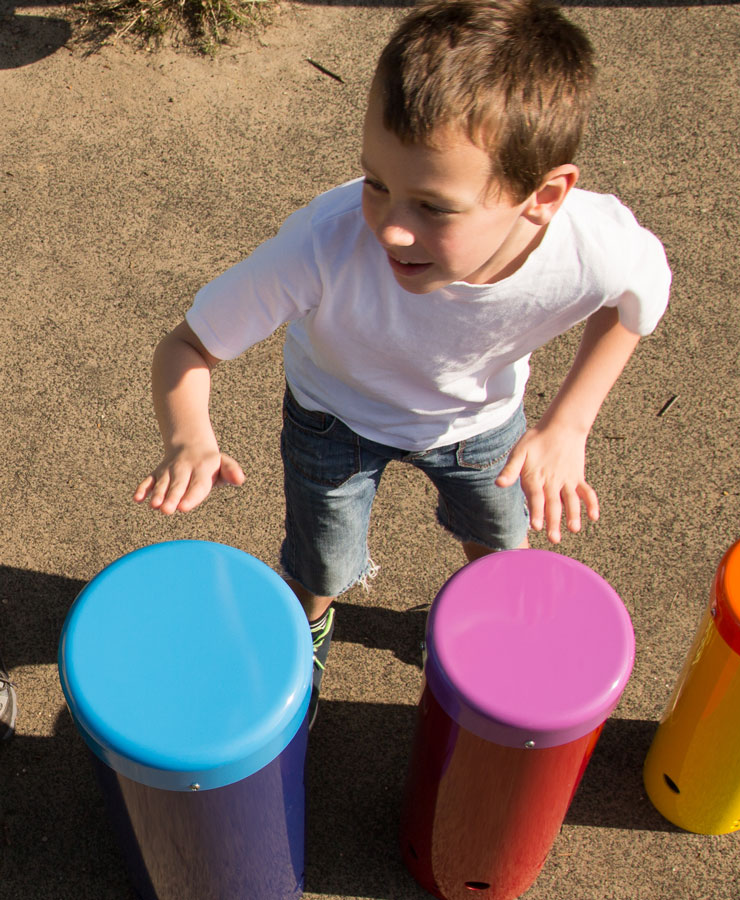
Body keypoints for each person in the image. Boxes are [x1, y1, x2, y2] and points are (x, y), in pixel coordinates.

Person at [133, 0, 671, 720]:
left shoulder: (592, 246)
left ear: (542, 197)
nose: (390, 226)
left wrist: (569, 424)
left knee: (501, 544)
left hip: (482, 425)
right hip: (335, 420)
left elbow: (631, 304)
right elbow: (188, 346)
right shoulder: (325, 244)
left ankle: (480, 634)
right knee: (321, 559)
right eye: (375, 181)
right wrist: (188, 435)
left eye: (433, 207)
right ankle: (309, 627)